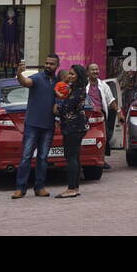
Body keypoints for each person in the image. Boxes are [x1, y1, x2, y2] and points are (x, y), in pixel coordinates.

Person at [12, 53, 60, 199]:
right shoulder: (38, 78)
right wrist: (19, 74)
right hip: (32, 124)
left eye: (51, 64)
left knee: (43, 158)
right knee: (26, 156)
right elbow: (25, 82)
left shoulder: (58, 82)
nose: (48, 66)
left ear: (57, 66)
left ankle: (40, 187)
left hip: (48, 126)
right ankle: (20, 188)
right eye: (46, 63)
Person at [55, 64, 89, 199]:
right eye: (69, 73)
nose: (69, 76)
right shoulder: (74, 89)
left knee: (71, 157)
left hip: (74, 127)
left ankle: (72, 188)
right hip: (74, 126)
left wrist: (57, 109)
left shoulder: (78, 91)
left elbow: (67, 108)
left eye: (72, 74)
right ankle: (75, 187)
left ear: (79, 76)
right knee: (74, 156)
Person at [86, 63, 117, 170]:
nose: (95, 71)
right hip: (86, 115)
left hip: (100, 116)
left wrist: (118, 112)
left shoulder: (103, 85)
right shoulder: (83, 84)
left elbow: (110, 100)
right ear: (88, 72)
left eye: (97, 69)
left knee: (102, 138)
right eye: (93, 70)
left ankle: (101, 160)